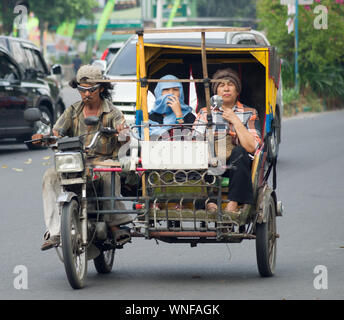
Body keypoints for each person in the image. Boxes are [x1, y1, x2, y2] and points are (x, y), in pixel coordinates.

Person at [33, 65, 133, 250]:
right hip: (76, 161)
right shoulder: (72, 111)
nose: (86, 94)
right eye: (82, 90)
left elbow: (124, 132)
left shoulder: (112, 112)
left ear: (101, 88)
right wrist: (45, 137)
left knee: (109, 174)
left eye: (91, 90)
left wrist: (123, 132)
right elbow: (57, 131)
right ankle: (55, 231)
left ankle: (114, 224)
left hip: (104, 160)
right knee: (50, 176)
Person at [193, 68, 261, 222]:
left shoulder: (249, 112)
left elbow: (252, 147)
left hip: (236, 167)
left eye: (230, 84)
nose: (226, 88)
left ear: (237, 91)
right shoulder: (205, 113)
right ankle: (208, 202)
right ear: (216, 92)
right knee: (194, 155)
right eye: (221, 85)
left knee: (240, 152)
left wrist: (235, 119)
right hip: (209, 164)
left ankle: (233, 203)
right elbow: (194, 142)